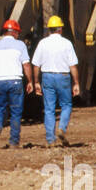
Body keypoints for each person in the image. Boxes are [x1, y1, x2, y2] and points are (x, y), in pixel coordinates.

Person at [32, 15, 80, 147]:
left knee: (49, 109)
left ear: (49, 30)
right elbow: (73, 66)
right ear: (60, 29)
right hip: (63, 77)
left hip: (47, 77)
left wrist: (36, 82)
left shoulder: (42, 43)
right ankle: (62, 128)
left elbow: (36, 65)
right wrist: (76, 83)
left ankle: (50, 140)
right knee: (66, 105)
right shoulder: (67, 43)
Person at [0, 19, 33, 149]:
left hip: (0, 81)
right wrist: (30, 81)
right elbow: (26, 65)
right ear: (15, 33)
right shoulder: (20, 45)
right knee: (16, 112)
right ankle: (14, 142)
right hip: (16, 81)